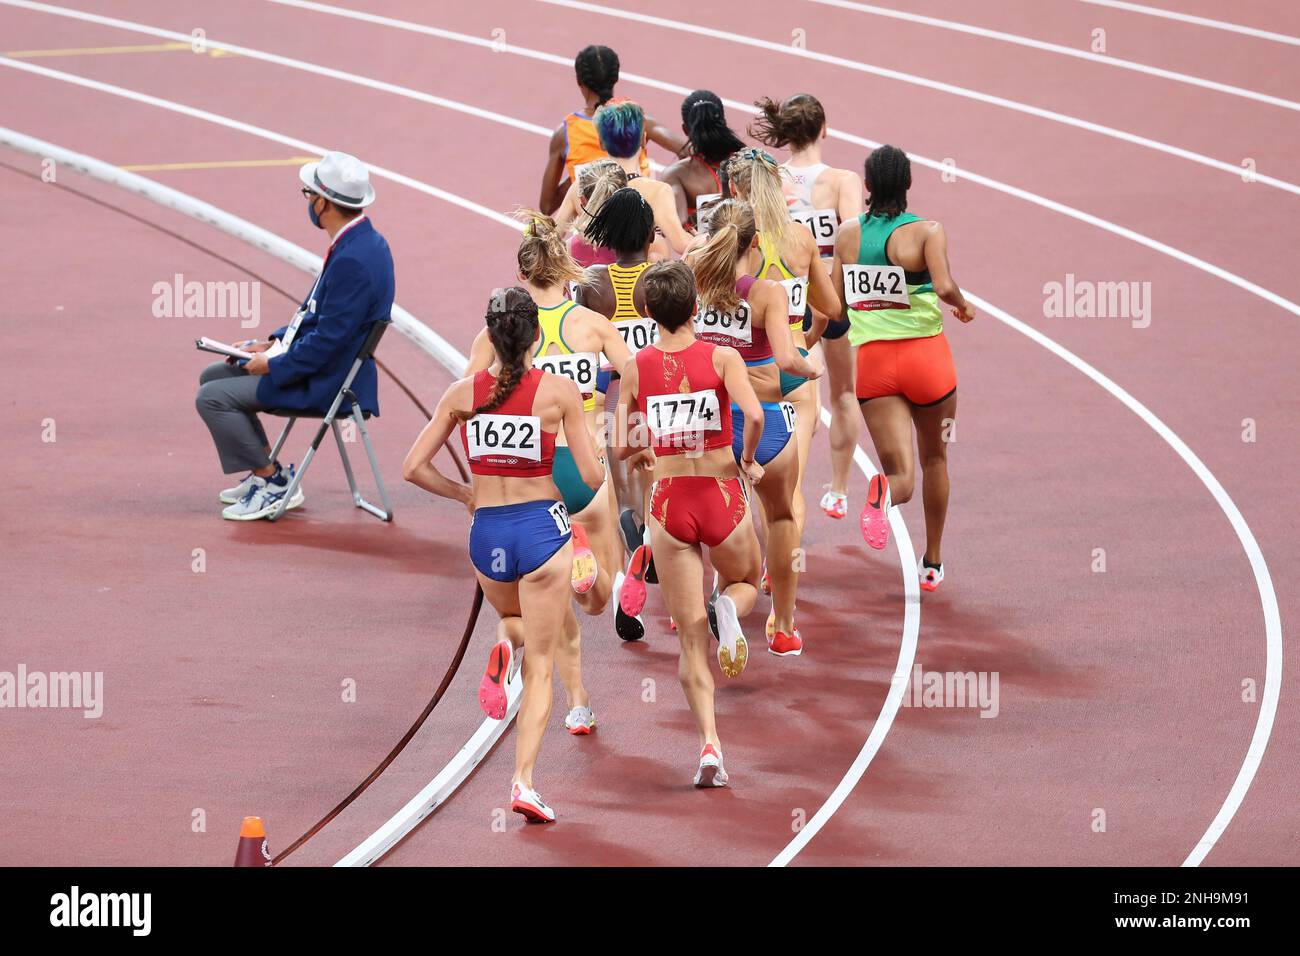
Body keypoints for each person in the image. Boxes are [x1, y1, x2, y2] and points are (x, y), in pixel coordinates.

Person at [403, 288, 603, 822]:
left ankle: (502, 647)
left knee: (517, 621)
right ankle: (523, 782)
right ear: (536, 335)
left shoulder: (461, 394)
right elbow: (590, 477)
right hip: (541, 532)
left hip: (486, 536)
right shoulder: (557, 392)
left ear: (489, 337)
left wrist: (465, 493)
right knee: (541, 663)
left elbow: (413, 468)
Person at [466, 214, 633, 732]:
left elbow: (475, 403)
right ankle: (586, 559)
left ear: (520, 273)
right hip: (582, 471)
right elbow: (638, 373)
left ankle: (578, 703)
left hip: (529, 476)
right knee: (599, 598)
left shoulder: (492, 336)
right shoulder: (592, 325)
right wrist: (617, 416)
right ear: (568, 268)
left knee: (548, 611)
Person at [614, 260, 765, 787]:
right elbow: (759, 416)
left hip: (669, 502)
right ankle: (728, 606)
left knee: (690, 640)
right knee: (747, 581)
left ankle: (709, 748)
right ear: (696, 307)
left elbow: (621, 441)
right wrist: (746, 460)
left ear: (648, 311)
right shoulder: (722, 357)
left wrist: (641, 455)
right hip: (721, 490)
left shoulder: (635, 366)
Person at [196, 151, 393, 521]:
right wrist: (272, 344)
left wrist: (273, 366)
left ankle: (273, 481)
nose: (307, 201)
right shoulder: (360, 242)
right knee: (214, 375)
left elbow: (326, 343)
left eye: (308, 194)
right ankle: (265, 471)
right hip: (323, 365)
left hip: (328, 381)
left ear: (324, 203)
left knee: (212, 397)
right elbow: (318, 316)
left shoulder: (353, 258)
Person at [831, 145, 975, 591]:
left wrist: (811, 334)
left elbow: (834, 304)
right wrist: (963, 306)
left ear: (868, 186)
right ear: (908, 184)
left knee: (902, 476)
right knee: (935, 458)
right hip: (926, 360)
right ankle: (931, 561)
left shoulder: (847, 235)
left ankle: (884, 491)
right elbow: (946, 285)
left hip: (874, 364)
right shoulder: (929, 232)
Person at [688, 199, 821, 657]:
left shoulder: (692, 276)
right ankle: (782, 626)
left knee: (724, 517)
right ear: (756, 243)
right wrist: (809, 370)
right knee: (781, 516)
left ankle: (725, 595)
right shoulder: (767, 292)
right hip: (761, 419)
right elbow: (786, 358)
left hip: (708, 420)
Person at [722, 150, 838, 621]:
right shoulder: (800, 239)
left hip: (748, 368)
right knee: (788, 495)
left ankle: (753, 574)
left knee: (751, 485)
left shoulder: (728, 243)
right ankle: (782, 597)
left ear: (734, 191)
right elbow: (831, 310)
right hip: (792, 365)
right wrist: (805, 341)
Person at [750, 94, 864, 522]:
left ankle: (780, 491)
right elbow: (850, 242)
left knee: (782, 394)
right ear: (825, 129)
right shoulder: (842, 181)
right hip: (829, 300)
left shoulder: (769, 177)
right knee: (843, 392)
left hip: (775, 299)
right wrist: (831, 302)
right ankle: (836, 489)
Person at [573, 187, 661, 640]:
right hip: (653, 395)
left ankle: (631, 552)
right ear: (650, 234)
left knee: (615, 495)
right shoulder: (664, 276)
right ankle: (647, 538)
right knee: (652, 478)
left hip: (606, 397)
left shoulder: (591, 281)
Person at [538, 45, 685, 214]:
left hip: (592, 233)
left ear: (580, 82)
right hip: (641, 228)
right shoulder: (636, 119)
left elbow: (547, 206)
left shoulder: (564, 134)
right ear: (615, 78)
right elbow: (688, 151)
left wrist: (580, 177)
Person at [660, 90, 745, 229]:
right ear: (723, 122)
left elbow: (681, 226)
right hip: (751, 248)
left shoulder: (676, 174)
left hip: (706, 249)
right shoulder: (751, 160)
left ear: (685, 130)